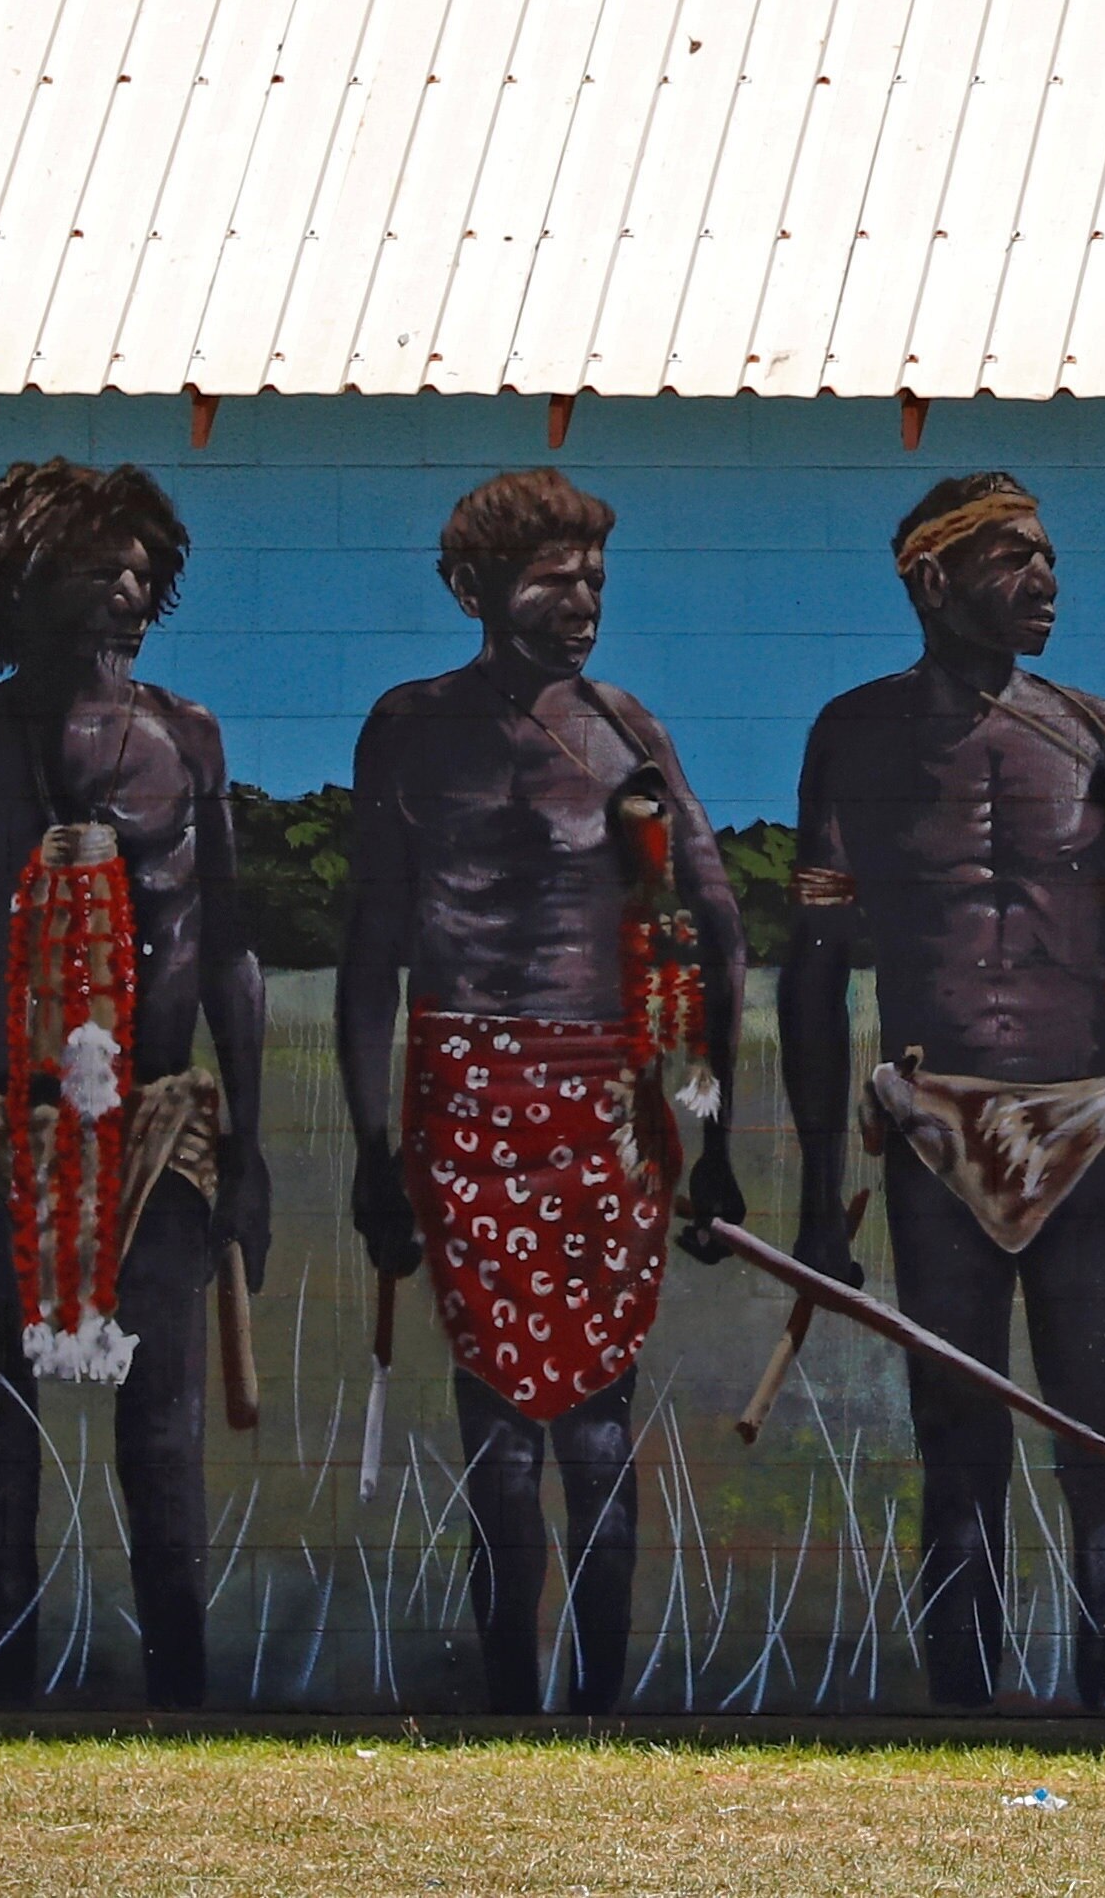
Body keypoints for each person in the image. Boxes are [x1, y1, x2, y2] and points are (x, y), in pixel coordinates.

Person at [779, 471, 1105, 1710]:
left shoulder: (1104, 735)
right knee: (959, 1443)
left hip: (1089, 1125)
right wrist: (809, 1191)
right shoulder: (856, 734)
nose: (1042, 578)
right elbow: (817, 963)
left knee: (1100, 1441)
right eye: (1008, 558)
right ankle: (964, 1708)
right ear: (929, 580)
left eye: (1047, 557)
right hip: (933, 1125)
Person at [341, 467, 745, 1715]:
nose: (580, 601)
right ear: (471, 588)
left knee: (594, 1424)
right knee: (498, 1432)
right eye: (550, 579)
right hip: (463, 1092)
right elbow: (371, 953)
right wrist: (371, 1147)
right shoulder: (407, 726)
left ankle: (601, 1703)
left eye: (593, 580)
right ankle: (514, 1695)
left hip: (606, 1102)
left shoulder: (625, 727)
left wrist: (708, 1127)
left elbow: (713, 920)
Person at [0, 457, 270, 1709]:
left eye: (142, 563)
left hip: (154, 1127)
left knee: (160, 1443)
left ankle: (180, 1706)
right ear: (19, 582)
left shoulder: (189, 736)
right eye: (98, 565)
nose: (130, 585)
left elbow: (229, 951)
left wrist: (246, 1144)